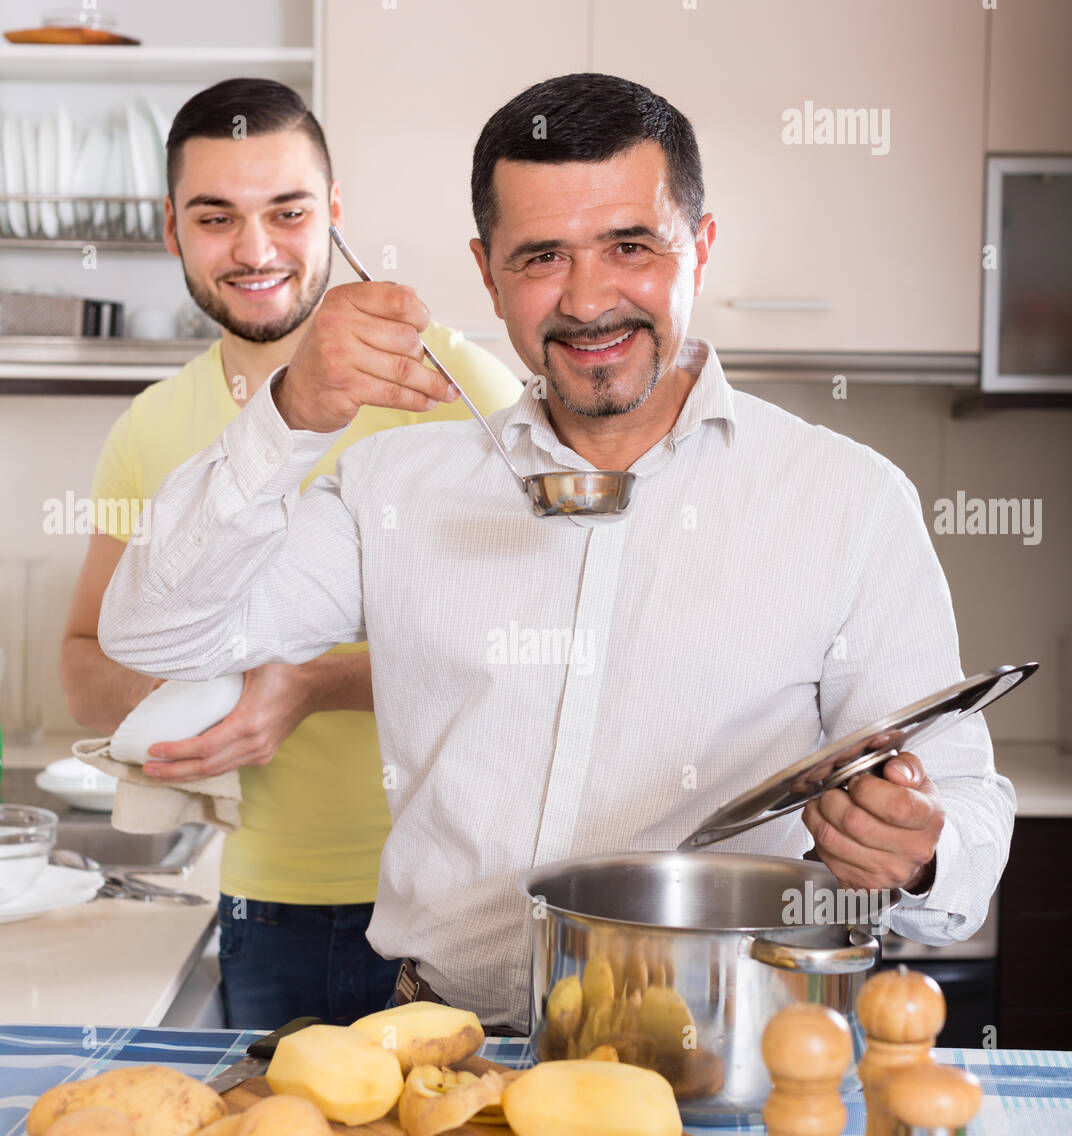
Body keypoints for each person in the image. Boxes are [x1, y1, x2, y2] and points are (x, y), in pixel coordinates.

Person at [97, 72, 1016, 1035]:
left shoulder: (848, 502)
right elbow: (158, 632)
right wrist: (285, 413)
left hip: (729, 1055)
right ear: (487, 273)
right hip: (445, 1051)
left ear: (698, 246)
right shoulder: (394, 487)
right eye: (540, 256)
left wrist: (916, 852)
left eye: (630, 245)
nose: (587, 300)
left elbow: (960, 826)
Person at [60, 78, 524, 1028]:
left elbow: (537, 636)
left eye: (288, 211)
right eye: (216, 216)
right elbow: (82, 656)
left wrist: (308, 685)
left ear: (336, 215)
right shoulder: (149, 428)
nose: (256, 249)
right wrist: (194, 693)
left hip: (469, 897)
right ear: (171, 229)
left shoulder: (451, 383)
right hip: (273, 904)